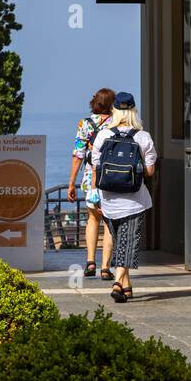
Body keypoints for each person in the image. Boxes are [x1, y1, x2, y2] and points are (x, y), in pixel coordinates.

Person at [89, 91, 157, 303]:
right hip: (134, 201)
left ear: (115, 111)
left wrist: (95, 193)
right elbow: (150, 171)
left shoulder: (103, 136)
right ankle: (119, 282)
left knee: (121, 242)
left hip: (109, 200)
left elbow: (95, 166)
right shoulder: (143, 137)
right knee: (128, 243)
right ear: (134, 111)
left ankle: (126, 286)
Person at [68, 87, 115, 280]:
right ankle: (105, 267)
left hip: (90, 178)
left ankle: (90, 262)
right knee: (109, 222)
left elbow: (78, 155)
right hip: (112, 178)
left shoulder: (84, 124)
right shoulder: (117, 122)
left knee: (92, 219)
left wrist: (71, 182)